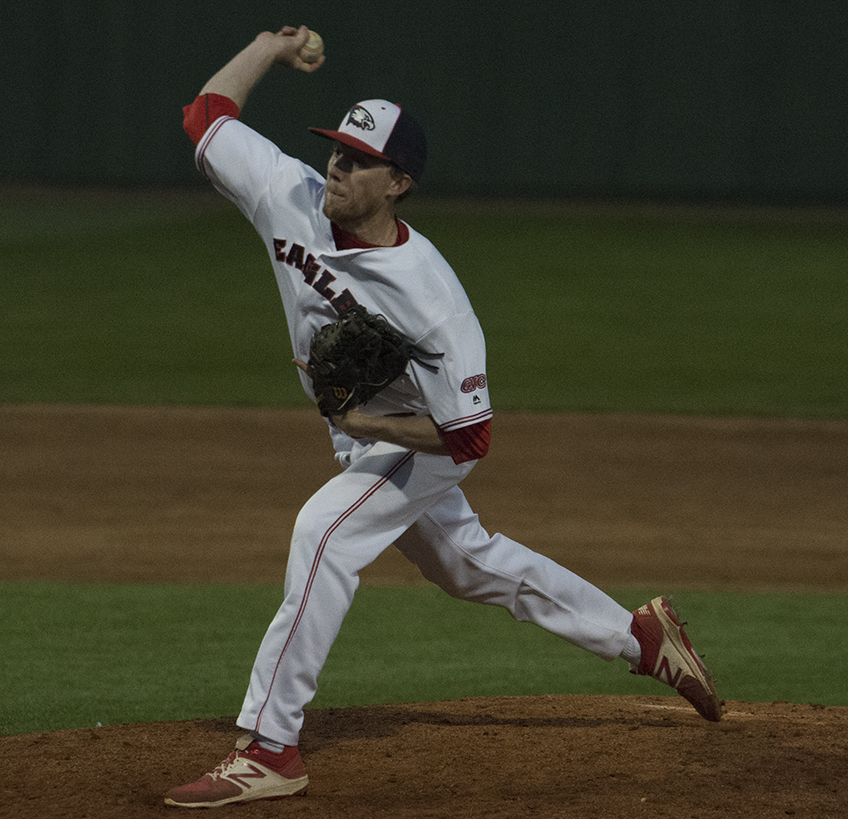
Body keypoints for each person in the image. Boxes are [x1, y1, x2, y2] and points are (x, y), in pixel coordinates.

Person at [165, 25, 722, 809]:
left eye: (358, 160)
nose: (336, 165)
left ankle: (271, 748)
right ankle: (642, 638)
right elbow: (205, 113)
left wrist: (369, 428)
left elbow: (472, 437)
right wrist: (268, 46)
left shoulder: (433, 297)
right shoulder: (285, 191)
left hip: (424, 437)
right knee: (465, 563)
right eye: (335, 149)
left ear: (397, 183)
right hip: (365, 428)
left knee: (325, 533)